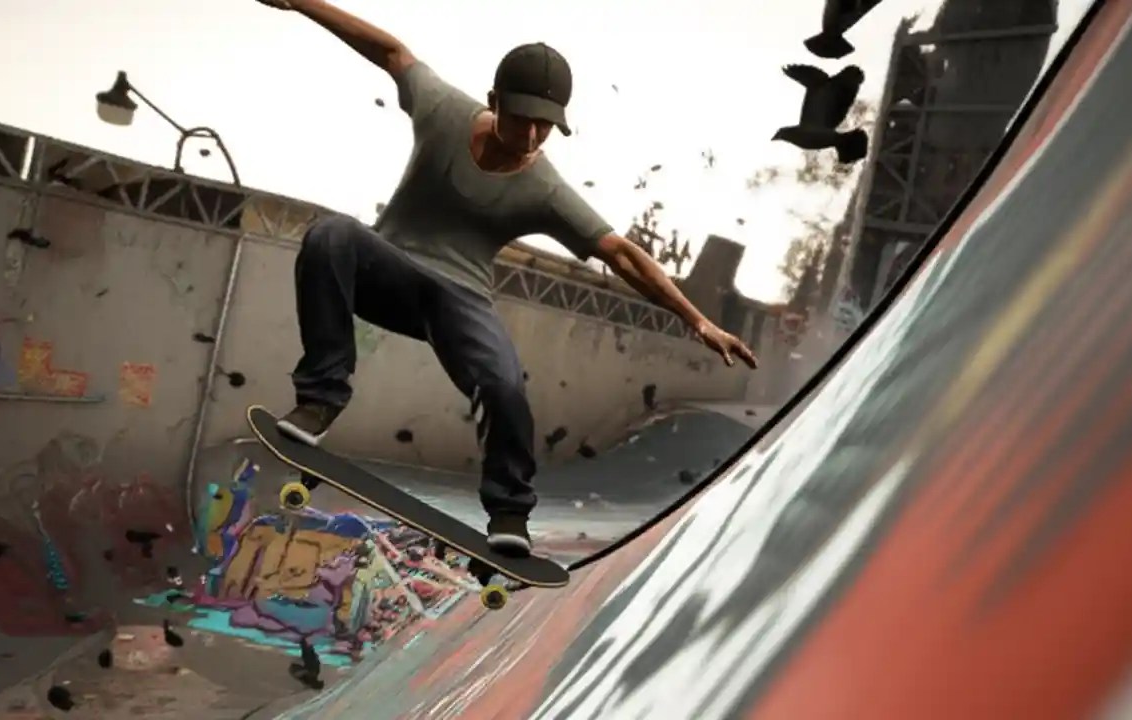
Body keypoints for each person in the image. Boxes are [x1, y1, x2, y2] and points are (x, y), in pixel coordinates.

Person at [255, 0, 759, 557]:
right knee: (330, 235)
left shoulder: (545, 189)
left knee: (504, 385)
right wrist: (302, 4)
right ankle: (321, 400)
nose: (533, 135)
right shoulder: (443, 110)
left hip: (460, 301)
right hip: (388, 275)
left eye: (546, 126)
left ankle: (510, 511)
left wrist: (696, 320)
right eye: (522, 119)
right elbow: (391, 51)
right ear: (494, 102)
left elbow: (621, 253)